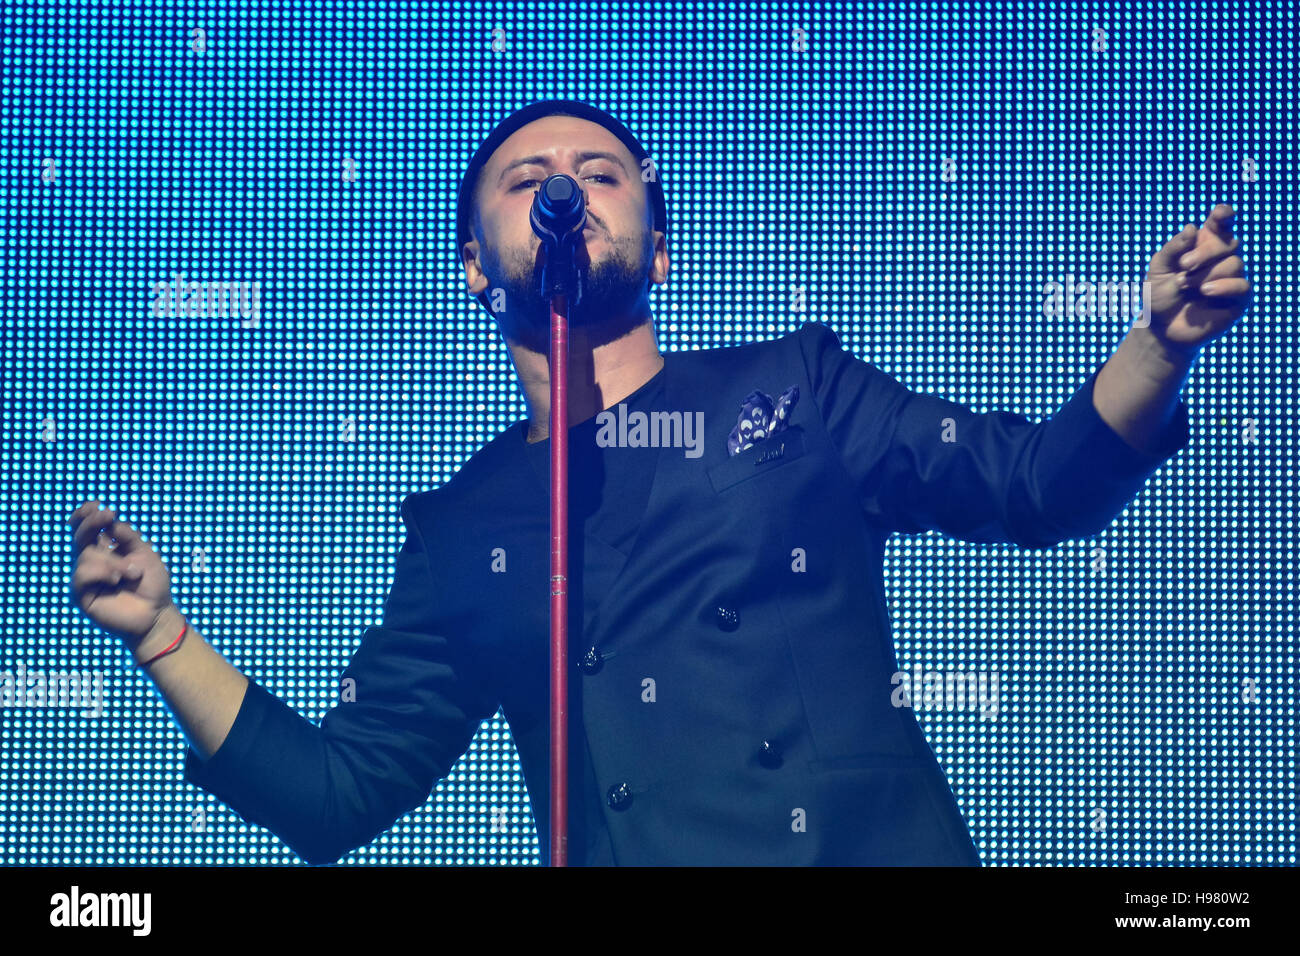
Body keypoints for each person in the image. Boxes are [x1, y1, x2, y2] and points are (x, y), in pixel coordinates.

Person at [68, 99, 1252, 865]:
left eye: (601, 170)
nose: (563, 184)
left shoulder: (789, 384)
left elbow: (1031, 484)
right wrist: (164, 632)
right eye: (527, 172)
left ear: (659, 245)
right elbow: (335, 792)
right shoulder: (462, 524)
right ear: (476, 260)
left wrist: (1157, 344)